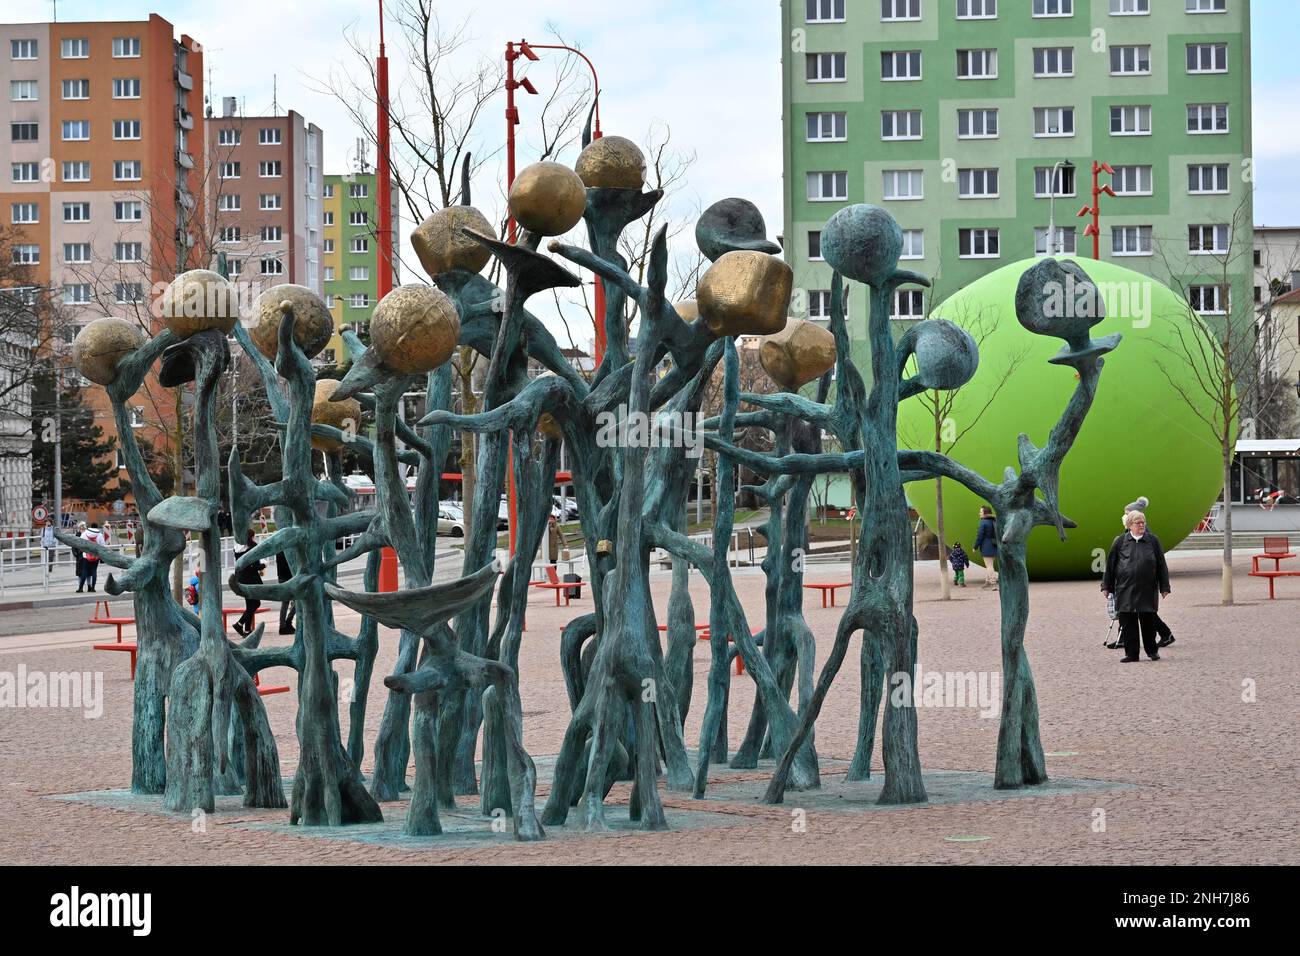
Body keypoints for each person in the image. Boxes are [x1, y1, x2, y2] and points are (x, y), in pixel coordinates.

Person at [1102, 509, 1171, 663]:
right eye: (1138, 523)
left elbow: (1161, 564)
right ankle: (1131, 654)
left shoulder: (1153, 541)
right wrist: (1106, 586)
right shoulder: (1120, 542)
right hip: (1125, 589)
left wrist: (1164, 587)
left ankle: (1152, 651)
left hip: (1147, 588)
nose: (1141, 525)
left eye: (1143, 522)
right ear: (1129, 525)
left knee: (1148, 622)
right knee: (1128, 623)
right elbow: (1111, 565)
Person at [1123, 496, 1175, 649]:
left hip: (1145, 582)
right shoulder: (1126, 535)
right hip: (1130, 582)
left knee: (1144, 612)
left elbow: (1159, 562)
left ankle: (1164, 634)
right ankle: (1165, 634)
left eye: (1127, 513)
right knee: (1131, 610)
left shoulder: (1149, 537)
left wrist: (1164, 586)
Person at [233, 531, 264, 636]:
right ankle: (240, 624)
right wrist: (262, 566)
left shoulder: (237, 548)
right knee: (255, 604)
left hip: (241, 578)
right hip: (251, 579)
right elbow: (252, 566)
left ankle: (246, 629)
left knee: (250, 604)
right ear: (252, 536)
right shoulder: (253, 547)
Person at [973, 506, 999, 589]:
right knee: (990, 564)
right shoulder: (994, 521)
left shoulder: (983, 522)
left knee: (989, 566)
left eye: (981, 512)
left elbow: (979, 536)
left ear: (985, 513)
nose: (979, 513)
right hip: (994, 545)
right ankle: (987, 581)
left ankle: (993, 582)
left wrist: (975, 546)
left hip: (986, 546)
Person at [78, 522, 104, 592]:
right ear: (97, 527)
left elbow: (80, 543)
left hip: (86, 556)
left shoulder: (84, 534)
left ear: (90, 526)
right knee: (94, 571)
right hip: (96, 556)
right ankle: (93, 588)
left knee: (85, 571)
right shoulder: (100, 535)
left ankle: (80, 588)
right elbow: (103, 546)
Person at [276, 550, 295, 635]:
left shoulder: (279, 550)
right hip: (289, 578)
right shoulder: (288, 550)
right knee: (295, 602)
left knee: (286, 603)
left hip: (283, 577)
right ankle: (285, 624)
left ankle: (285, 624)